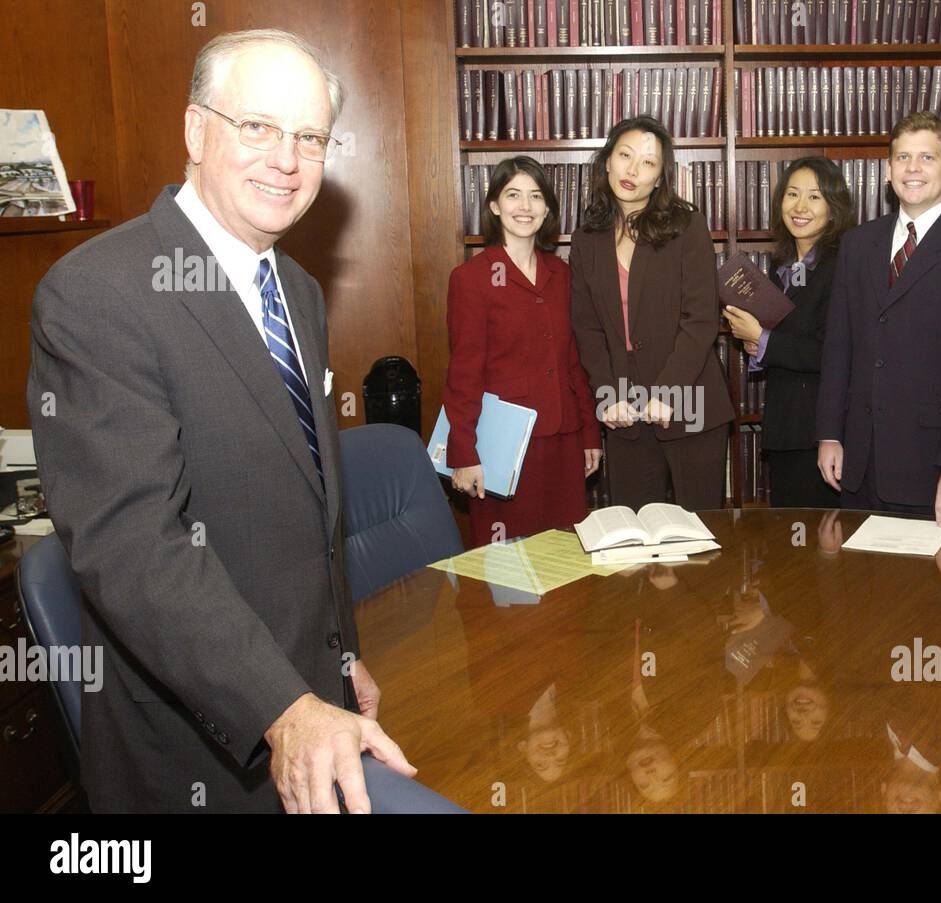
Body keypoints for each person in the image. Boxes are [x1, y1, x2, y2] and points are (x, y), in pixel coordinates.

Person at [26, 29, 414, 813]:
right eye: (257, 126)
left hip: (314, 714)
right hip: (194, 750)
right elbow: (134, 546)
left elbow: (310, 499)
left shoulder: (297, 288)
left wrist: (341, 658)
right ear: (195, 129)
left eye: (309, 137)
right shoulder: (97, 292)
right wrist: (283, 705)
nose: (286, 158)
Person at [815, 111, 941, 526]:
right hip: (859, 465)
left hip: (934, 471)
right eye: (903, 158)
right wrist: (830, 434)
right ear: (888, 170)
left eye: (927, 158)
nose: (912, 169)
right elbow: (839, 347)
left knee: (935, 590)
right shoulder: (857, 245)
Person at [569, 116, 734, 511]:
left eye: (647, 163)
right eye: (624, 155)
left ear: (660, 177)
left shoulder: (687, 226)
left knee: (700, 536)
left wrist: (667, 390)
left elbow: (701, 320)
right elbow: (587, 328)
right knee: (634, 536)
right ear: (606, 161)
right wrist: (606, 395)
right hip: (624, 411)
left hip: (690, 401)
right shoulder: (586, 239)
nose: (632, 170)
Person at [443, 156, 601, 547]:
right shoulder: (473, 279)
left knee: (567, 562)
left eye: (535, 197)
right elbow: (463, 375)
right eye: (513, 195)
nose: (525, 207)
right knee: (510, 578)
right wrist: (463, 453)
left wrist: (590, 434)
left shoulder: (561, 275)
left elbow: (574, 364)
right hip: (503, 446)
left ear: (548, 208)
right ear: (495, 206)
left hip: (563, 441)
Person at [723, 156, 853, 509]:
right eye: (791, 194)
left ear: (834, 206)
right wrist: (754, 343)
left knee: (821, 548)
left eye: (814, 197)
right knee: (792, 549)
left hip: (820, 432)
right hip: (785, 427)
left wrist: (764, 341)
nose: (800, 207)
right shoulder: (782, 267)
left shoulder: (842, 267)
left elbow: (835, 352)